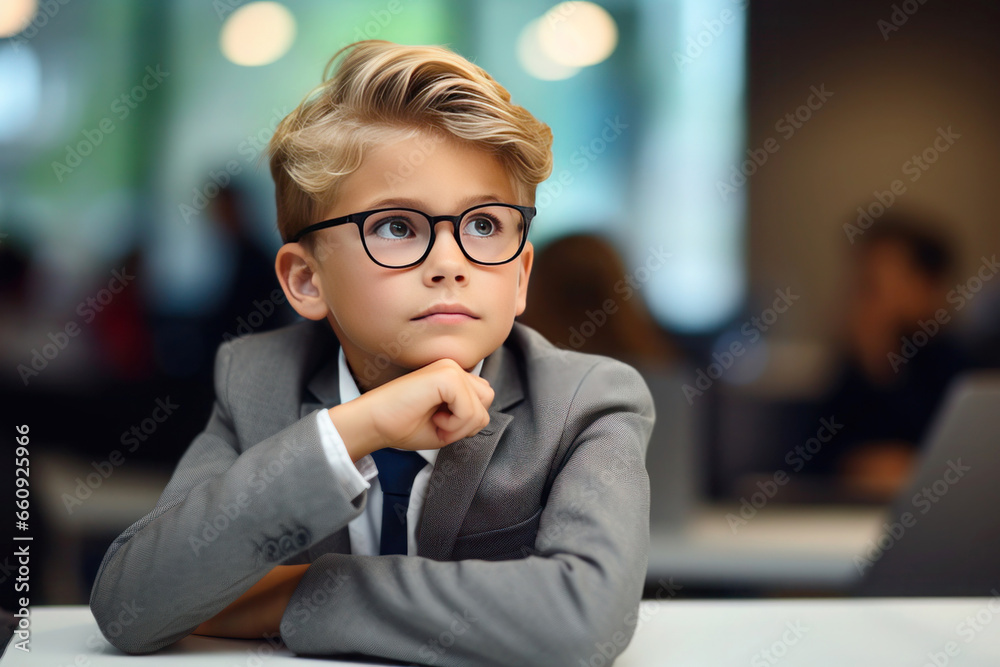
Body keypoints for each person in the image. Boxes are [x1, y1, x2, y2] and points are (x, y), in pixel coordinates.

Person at [89, 40, 655, 666]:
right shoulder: (256, 381)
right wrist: (355, 429)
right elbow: (129, 605)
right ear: (307, 280)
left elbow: (584, 623)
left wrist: (295, 594)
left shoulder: (592, 401)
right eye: (395, 226)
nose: (449, 263)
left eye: (485, 225)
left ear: (520, 277)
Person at [801, 213, 973, 500]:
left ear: (927, 285)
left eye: (873, 285)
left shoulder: (965, 369)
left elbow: (972, 465)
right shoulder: (855, 365)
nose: (861, 299)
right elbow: (806, 462)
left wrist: (918, 467)